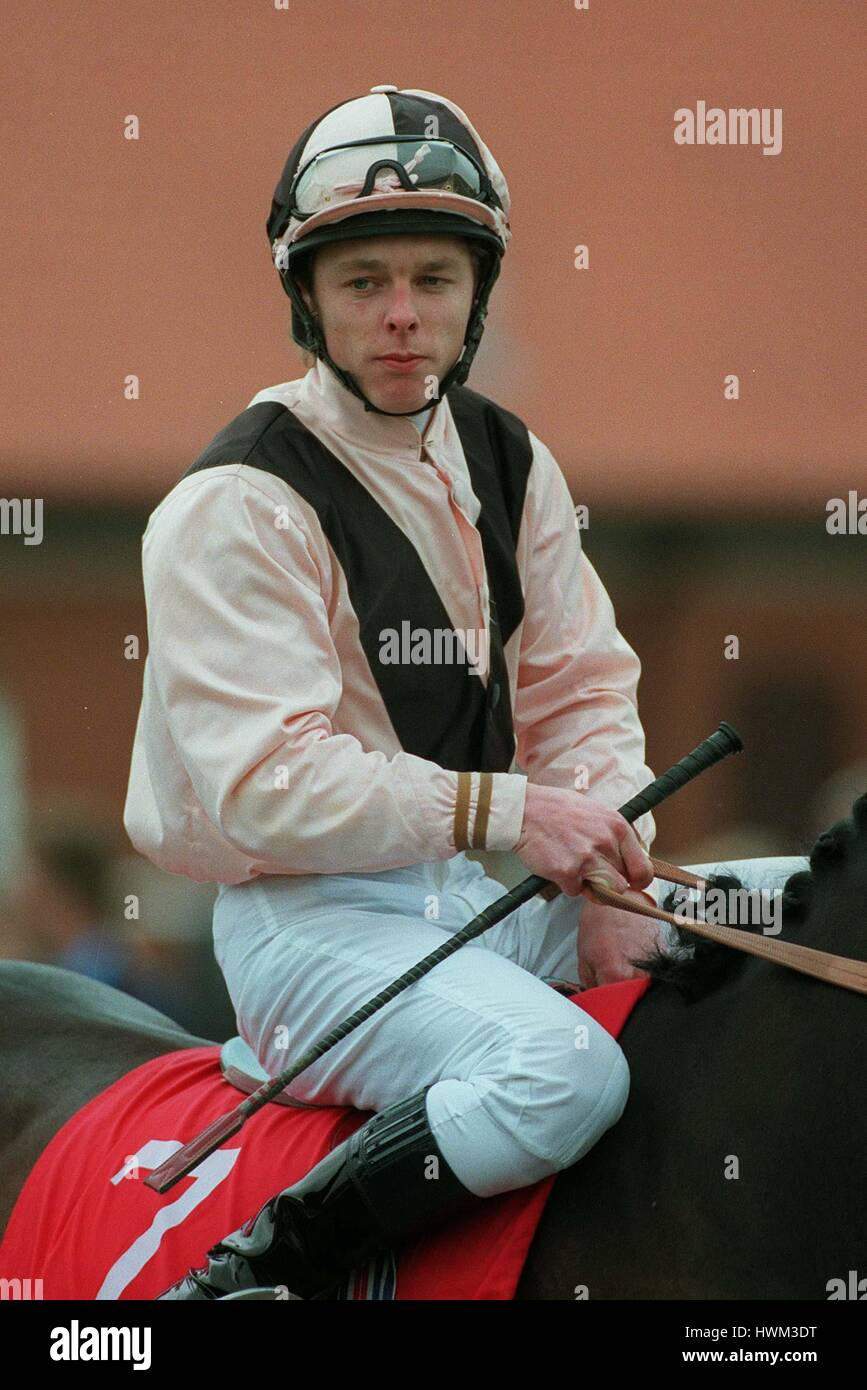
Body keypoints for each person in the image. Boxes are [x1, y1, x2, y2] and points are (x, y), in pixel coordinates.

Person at [123, 86, 662, 1300]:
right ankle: (264, 1267)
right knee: (562, 1075)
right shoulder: (236, 503)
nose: (404, 316)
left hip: (500, 888)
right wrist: (513, 816)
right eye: (364, 282)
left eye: (435, 278)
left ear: (479, 294)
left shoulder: (512, 459)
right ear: (305, 296)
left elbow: (584, 691)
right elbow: (269, 787)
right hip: (313, 925)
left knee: (788, 913)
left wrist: (616, 871)